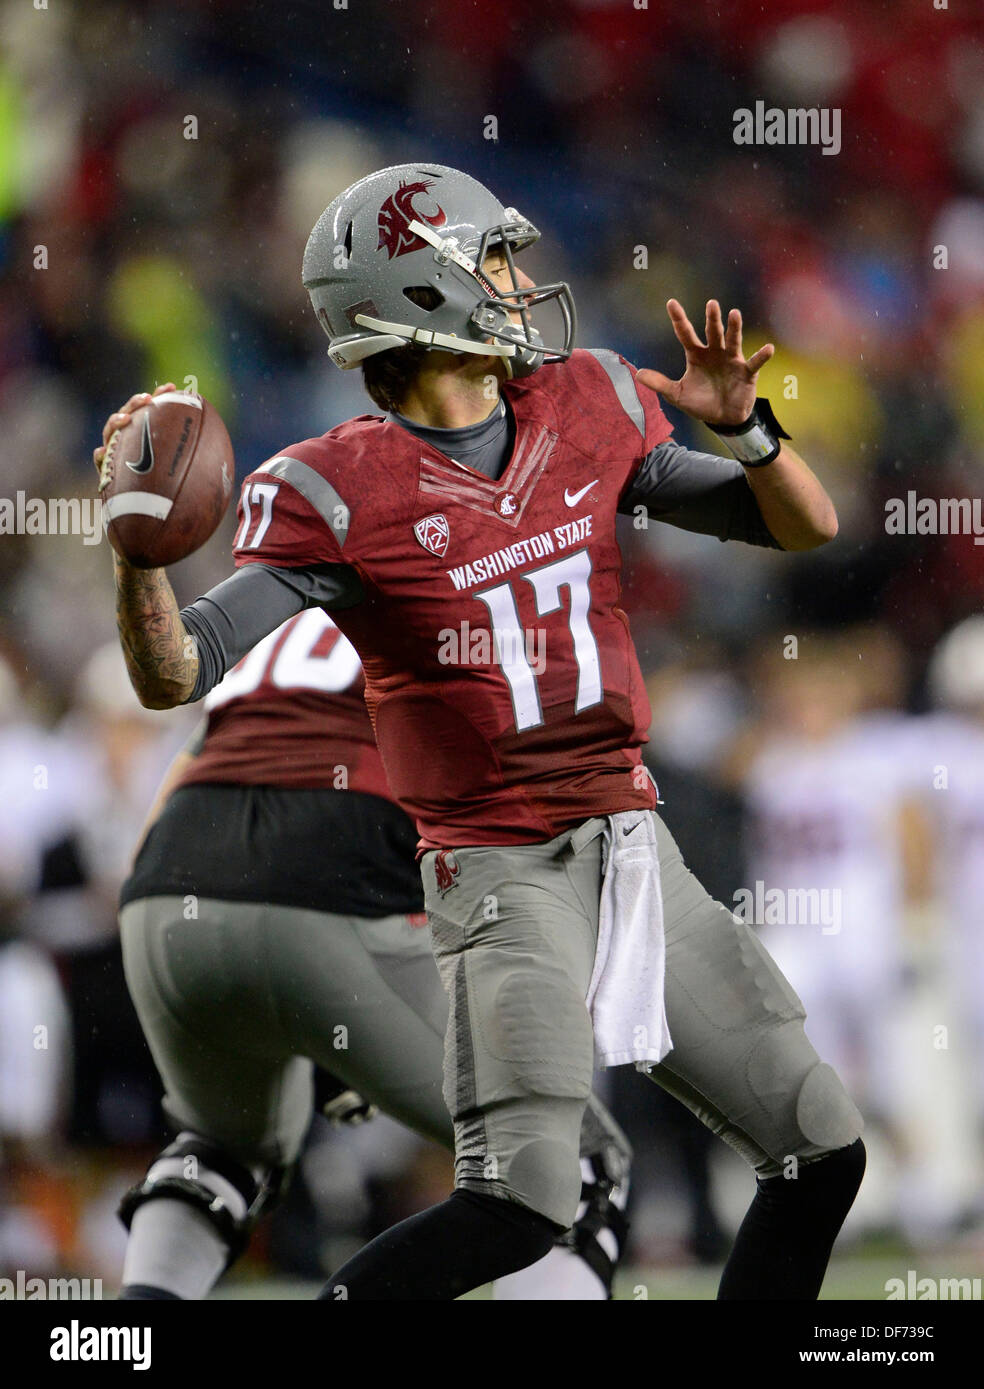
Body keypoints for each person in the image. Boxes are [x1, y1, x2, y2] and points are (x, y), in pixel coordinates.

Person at [96, 163, 865, 1300]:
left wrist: (750, 430)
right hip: (501, 869)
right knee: (520, 1203)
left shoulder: (588, 402)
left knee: (817, 1146)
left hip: (635, 846)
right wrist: (135, 558)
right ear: (418, 295)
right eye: (492, 261)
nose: (519, 282)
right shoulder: (335, 486)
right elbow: (178, 672)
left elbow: (804, 526)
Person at [115, 608, 630, 1300]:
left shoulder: (289, 606)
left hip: (163, 896)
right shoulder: (485, 580)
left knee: (222, 1150)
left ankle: (122, 1339)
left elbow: (182, 783)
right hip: (332, 896)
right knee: (570, 1161)